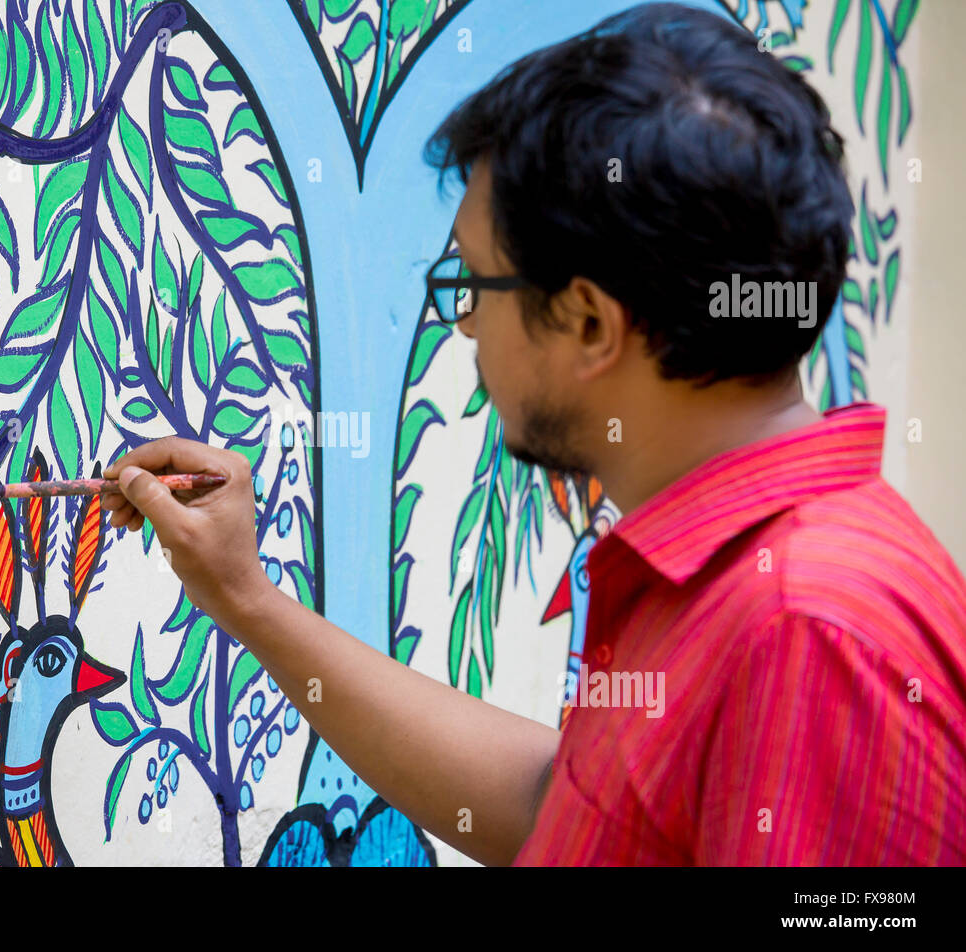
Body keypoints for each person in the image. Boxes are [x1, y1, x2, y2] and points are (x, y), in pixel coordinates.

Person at [97, 2, 966, 864]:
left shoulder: (803, 635)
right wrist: (246, 598)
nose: (464, 325)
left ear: (589, 323)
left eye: (475, 284)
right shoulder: (742, 574)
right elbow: (566, 811)